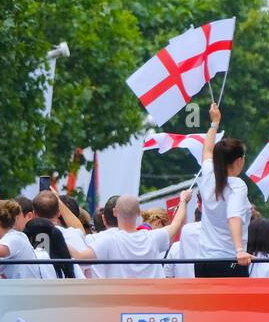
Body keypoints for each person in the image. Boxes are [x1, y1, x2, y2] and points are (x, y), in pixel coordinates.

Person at [65, 192, 188, 278]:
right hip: (151, 307)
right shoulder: (153, 238)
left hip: (120, 306)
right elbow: (176, 224)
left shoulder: (108, 241)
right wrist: (183, 200)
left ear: (115, 212)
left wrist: (58, 238)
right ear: (139, 213)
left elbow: (80, 258)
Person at [194, 101, 253, 277]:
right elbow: (234, 217)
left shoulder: (208, 175)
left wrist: (214, 123)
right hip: (230, 262)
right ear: (239, 161)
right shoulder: (236, 185)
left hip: (203, 262)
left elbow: (206, 150)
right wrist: (239, 250)